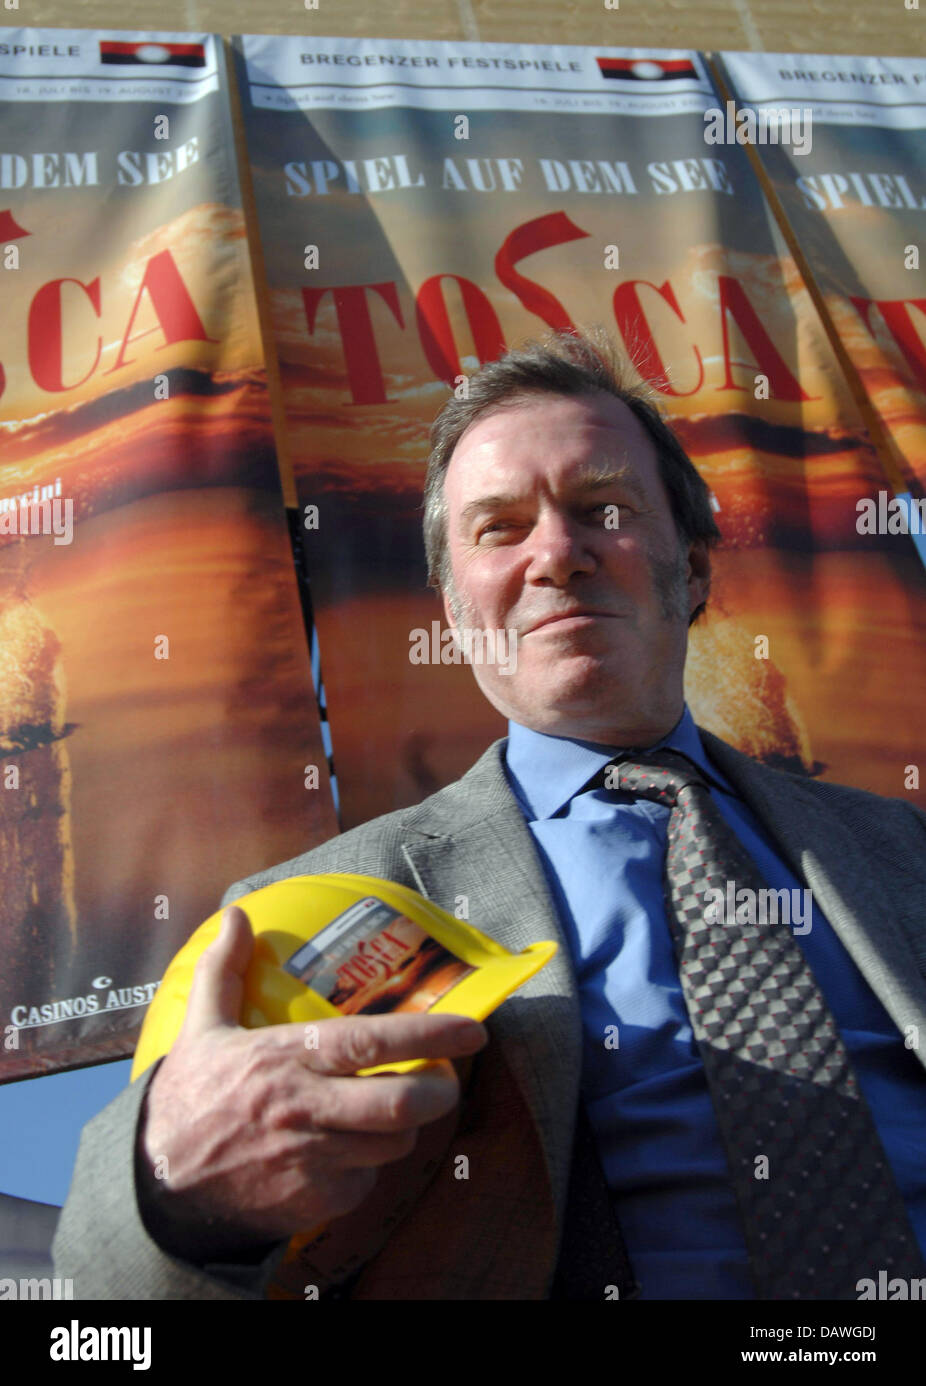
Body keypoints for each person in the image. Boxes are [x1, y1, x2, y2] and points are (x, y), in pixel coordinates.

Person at [53, 329, 926, 1301]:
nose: (556, 552)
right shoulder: (291, 915)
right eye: (498, 527)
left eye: (603, 507)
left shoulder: (903, 849)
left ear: (692, 568)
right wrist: (176, 1193)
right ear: (455, 605)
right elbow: (107, 1299)